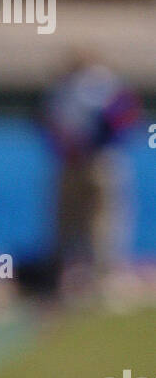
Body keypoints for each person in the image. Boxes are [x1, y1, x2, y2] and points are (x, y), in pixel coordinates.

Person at [40, 50, 140, 299]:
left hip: (76, 161)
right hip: (98, 161)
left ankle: (65, 279)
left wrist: (73, 147)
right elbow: (125, 117)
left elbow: (48, 123)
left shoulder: (66, 88)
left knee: (73, 222)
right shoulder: (102, 84)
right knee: (102, 222)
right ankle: (101, 280)